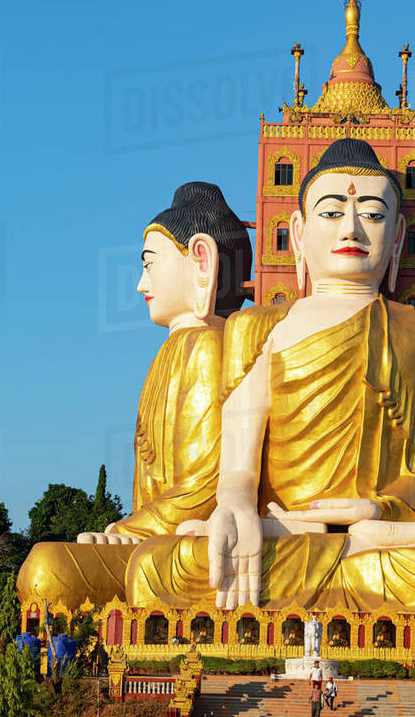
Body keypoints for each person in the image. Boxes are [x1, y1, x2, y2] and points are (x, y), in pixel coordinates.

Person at [127, 138, 415, 619]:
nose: (352, 228)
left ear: (397, 238)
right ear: (298, 231)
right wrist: (235, 505)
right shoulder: (259, 327)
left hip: (387, 543)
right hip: (282, 533)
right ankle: (329, 550)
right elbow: (239, 469)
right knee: (161, 567)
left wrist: (377, 514)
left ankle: (349, 550)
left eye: (372, 215)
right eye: (331, 213)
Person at [17, 182, 253, 618]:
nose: (141, 283)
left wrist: (133, 529)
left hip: (188, 541)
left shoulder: (208, 346)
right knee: (50, 567)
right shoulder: (175, 349)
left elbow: (204, 486)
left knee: (49, 569)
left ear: (202, 261)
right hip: (158, 538)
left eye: (150, 265)